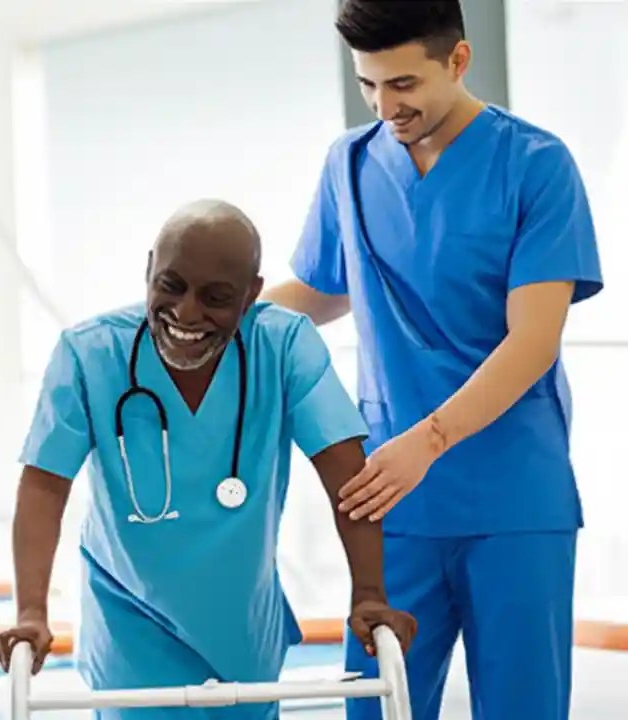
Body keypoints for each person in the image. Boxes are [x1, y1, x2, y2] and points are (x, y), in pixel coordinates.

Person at [262, 2, 603, 719]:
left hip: (512, 496)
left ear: (458, 60)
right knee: (375, 704)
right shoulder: (349, 164)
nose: (385, 106)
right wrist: (211, 315)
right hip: (390, 499)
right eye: (368, 85)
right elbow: (322, 291)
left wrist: (430, 440)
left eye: (404, 84)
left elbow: (533, 340)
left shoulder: (536, 166)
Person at [0, 199, 417, 719]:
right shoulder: (90, 353)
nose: (187, 313)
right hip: (130, 629)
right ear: (149, 269)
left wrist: (368, 593)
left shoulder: (284, 346)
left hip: (242, 630)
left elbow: (347, 477)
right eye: (170, 286)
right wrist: (31, 612)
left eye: (217, 297)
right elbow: (44, 483)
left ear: (252, 294)